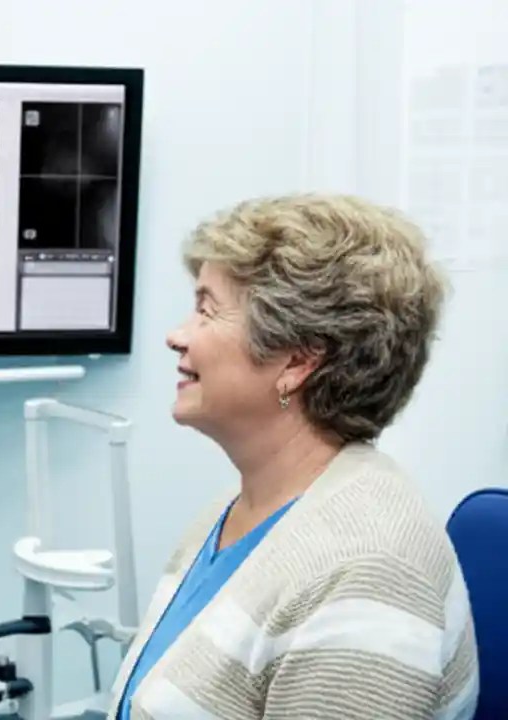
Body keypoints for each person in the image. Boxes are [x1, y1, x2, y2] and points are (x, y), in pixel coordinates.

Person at [110, 194, 479, 718]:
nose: (177, 336)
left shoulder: (367, 571)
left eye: (207, 310)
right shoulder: (242, 508)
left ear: (297, 361)